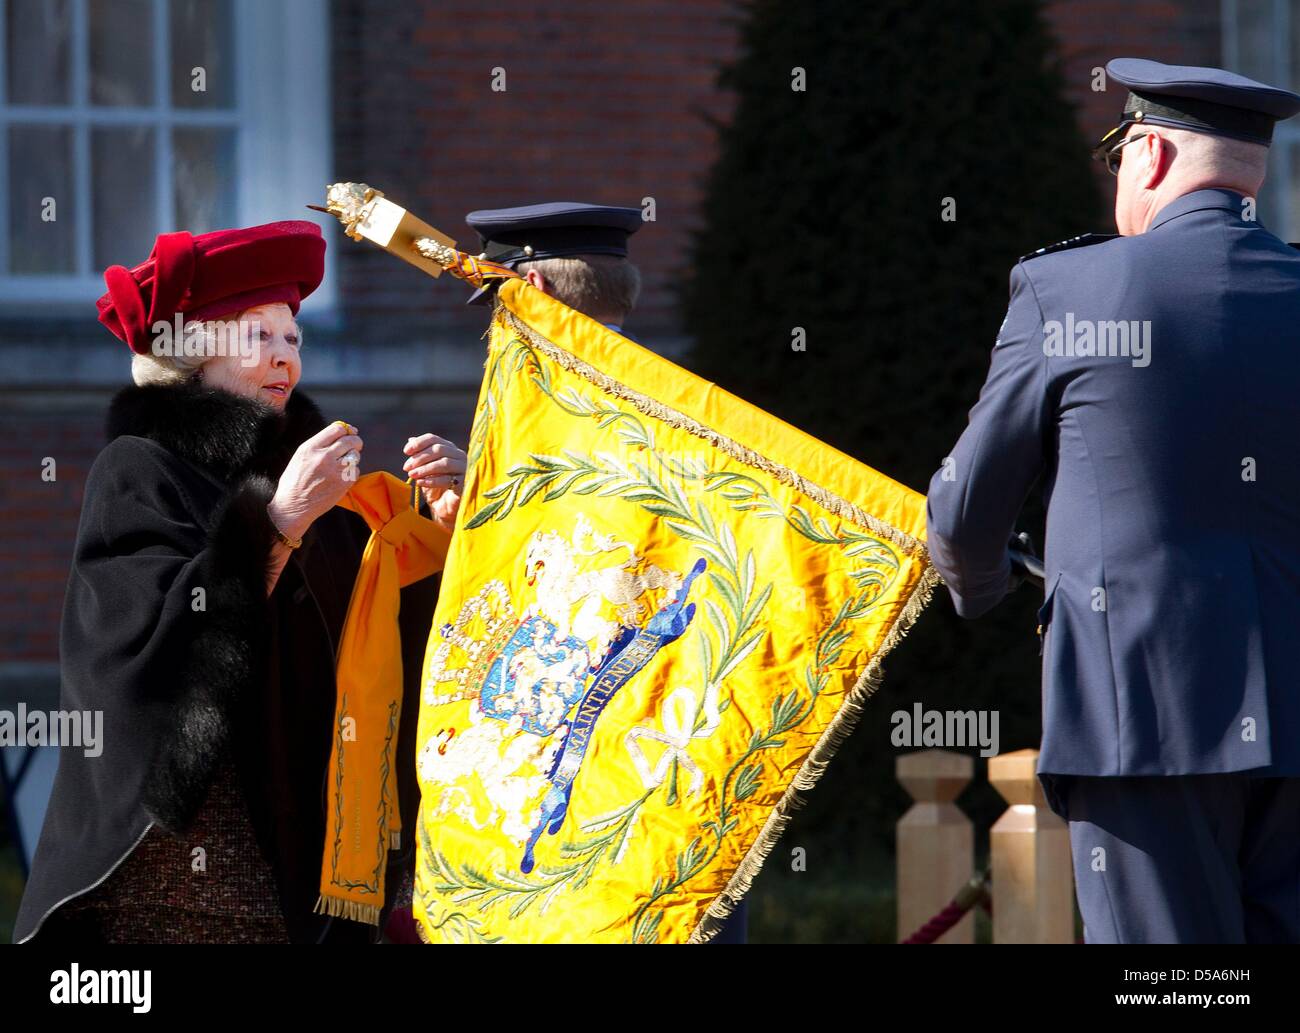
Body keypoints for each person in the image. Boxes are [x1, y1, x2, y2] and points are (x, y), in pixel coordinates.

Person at [926, 59, 1300, 943]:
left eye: (1118, 153)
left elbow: (964, 504)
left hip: (1143, 712)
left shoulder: (1070, 292)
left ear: (1153, 153)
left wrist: (986, 584)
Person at [13, 221, 466, 943]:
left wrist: (453, 525)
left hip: (300, 878)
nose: (284, 356)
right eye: (257, 336)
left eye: (293, 338)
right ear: (196, 352)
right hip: (171, 886)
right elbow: (143, 656)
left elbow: (386, 637)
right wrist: (277, 522)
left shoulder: (329, 496)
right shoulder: (141, 468)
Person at [462, 202, 749, 943]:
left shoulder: (593, 409)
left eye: (499, 299)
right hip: (668, 783)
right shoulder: (688, 409)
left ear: (534, 290)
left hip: (614, 785)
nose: (495, 321)